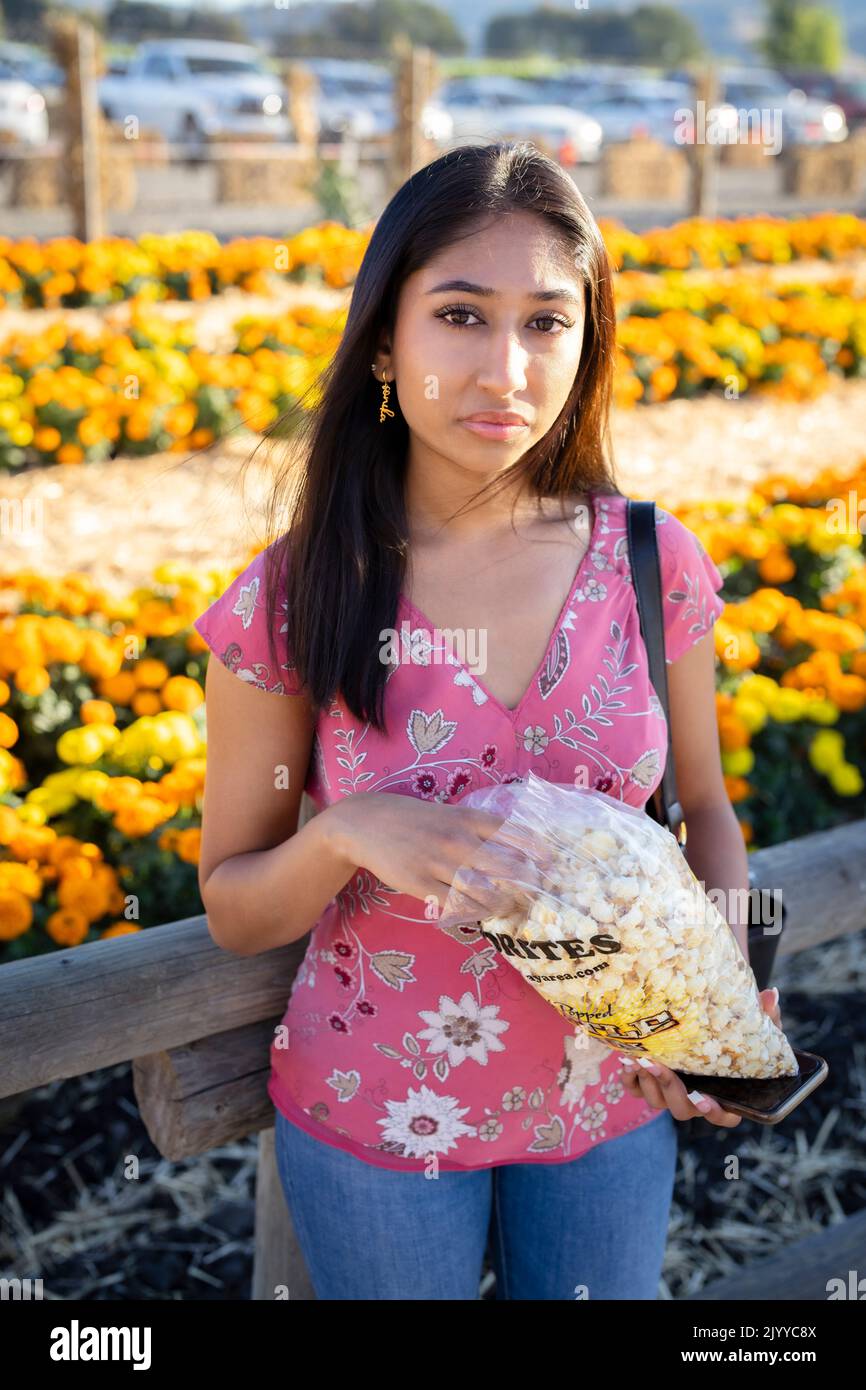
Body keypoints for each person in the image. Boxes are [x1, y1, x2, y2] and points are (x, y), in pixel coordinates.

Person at [193, 141, 783, 1300]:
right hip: (380, 1114)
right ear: (381, 339)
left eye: (545, 322)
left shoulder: (648, 561)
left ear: (585, 341)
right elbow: (233, 904)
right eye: (460, 315)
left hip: (610, 1096)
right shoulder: (294, 594)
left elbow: (704, 811)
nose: (504, 368)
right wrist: (346, 832)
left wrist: (714, 1004)